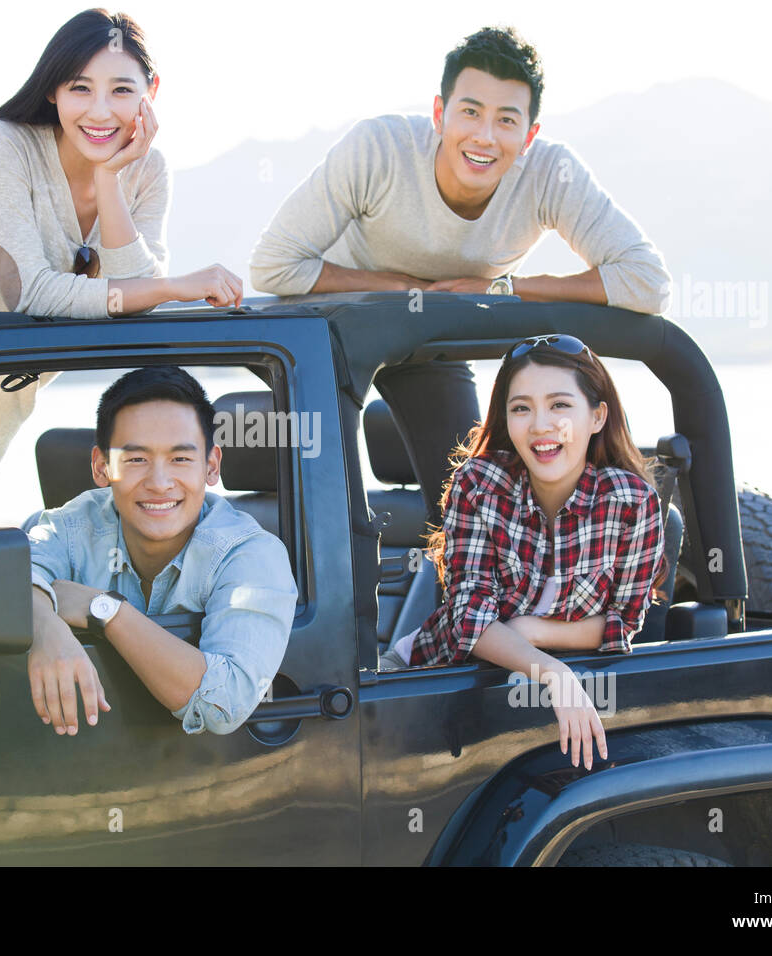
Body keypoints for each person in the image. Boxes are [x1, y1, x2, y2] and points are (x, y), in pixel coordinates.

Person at [249, 25, 670, 522]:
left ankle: (464, 593)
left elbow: (648, 283)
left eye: (506, 120)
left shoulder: (550, 174)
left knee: (469, 510)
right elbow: (273, 266)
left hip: (433, 343)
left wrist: (502, 289)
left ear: (529, 135)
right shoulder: (379, 148)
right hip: (334, 332)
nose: (485, 137)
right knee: (330, 513)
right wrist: (406, 290)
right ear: (439, 114)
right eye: (470, 112)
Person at [0, 9, 243, 531]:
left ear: (152, 91)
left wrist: (110, 178)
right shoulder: (1, 145)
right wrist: (177, 285)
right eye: (80, 88)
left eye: (122, 90)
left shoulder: (148, 171)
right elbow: (33, 296)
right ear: (52, 91)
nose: (101, 111)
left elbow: (139, 301)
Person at [379, 334, 667, 770]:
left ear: (596, 416)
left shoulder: (633, 503)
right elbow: (469, 619)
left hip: (524, 699)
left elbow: (621, 625)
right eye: (521, 408)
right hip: (427, 675)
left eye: (560, 405)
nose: (539, 425)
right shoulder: (479, 482)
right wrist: (554, 673)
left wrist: (531, 631)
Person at [24, 365, 297, 736]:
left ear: (211, 465)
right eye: (136, 459)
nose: (159, 483)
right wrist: (44, 625)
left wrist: (102, 608)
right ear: (102, 467)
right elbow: (10, 573)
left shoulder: (251, 553)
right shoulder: (74, 524)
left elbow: (222, 704)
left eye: (180, 459)